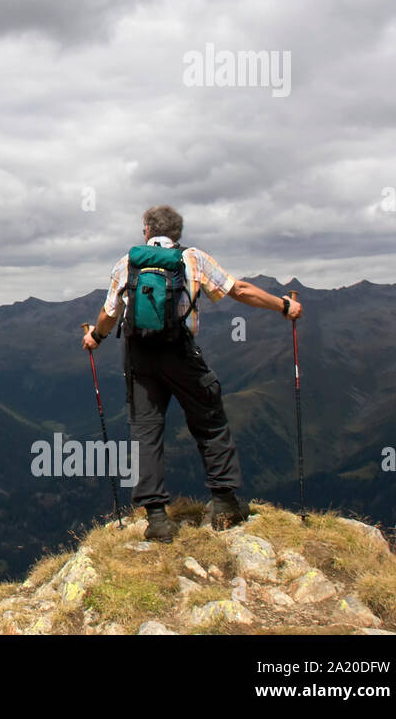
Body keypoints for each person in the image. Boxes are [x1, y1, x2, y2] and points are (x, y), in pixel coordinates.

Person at [81, 205, 303, 541]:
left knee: (145, 430)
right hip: (180, 351)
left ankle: (157, 520)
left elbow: (110, 313)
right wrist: (284, 306)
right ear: (177, 233)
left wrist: (94, 337)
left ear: (146, 230)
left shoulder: (127, 262)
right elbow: (238, 290)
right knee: (209, 419)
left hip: (138, 356)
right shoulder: (193, 259)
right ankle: (225, 503)